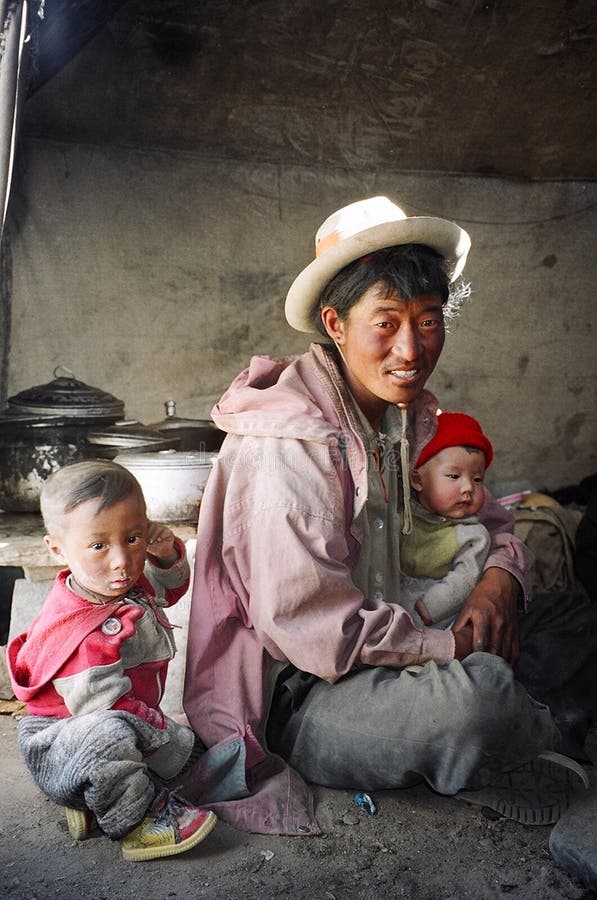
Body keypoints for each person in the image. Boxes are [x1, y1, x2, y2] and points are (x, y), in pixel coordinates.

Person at [180, 196, 595, 836]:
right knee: (473, 700)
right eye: (387, 321)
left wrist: (498, 580)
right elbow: (318, 635)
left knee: (571, 613)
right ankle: (521, 732)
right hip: (309, 692)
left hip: (402, 620)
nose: (411, 346)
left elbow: (485, 523)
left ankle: (521, 724)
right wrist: (446, 645)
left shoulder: (399, 417)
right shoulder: (290, 448)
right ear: (336, 324)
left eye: (429, 321)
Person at [7, 460, 217, 862]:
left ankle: (90, 802)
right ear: (57, 549)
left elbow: (167, 591)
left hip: (100, 733)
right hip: (61, 747)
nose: (122, 559)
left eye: (133, 536)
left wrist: (164, 554)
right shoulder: (80, 633)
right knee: (118, 736)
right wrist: (176, 744)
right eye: (99, 545)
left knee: (163, 748)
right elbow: (111, 710)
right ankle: (137, 824)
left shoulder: (114, 585)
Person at [400, 410, 493, 629]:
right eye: (454, 476)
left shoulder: (473, 535)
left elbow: (465, 579)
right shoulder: (399, 516)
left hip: (436, 615)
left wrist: (430, 609)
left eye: (477, 479)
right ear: (417, 480)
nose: (468, 488)